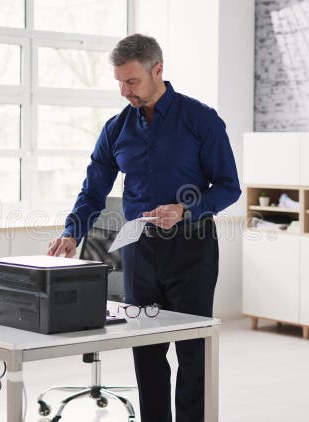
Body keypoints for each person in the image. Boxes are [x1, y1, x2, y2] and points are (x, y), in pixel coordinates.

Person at [47, 33, 240, 422]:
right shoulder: (116, 129)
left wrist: (185, 211)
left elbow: (228, 187)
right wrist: (72, 232)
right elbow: (94, 190)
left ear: (158, 70)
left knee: (193, 355)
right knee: (147, 355)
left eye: (131, 81)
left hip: (192, 251)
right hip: (140, 254)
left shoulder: (200, 119)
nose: (125, 91)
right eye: (119, 82)